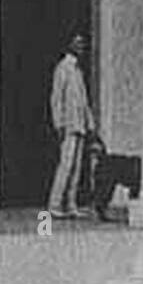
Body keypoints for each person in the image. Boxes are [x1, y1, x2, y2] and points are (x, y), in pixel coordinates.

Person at [47, 30, 96, 220]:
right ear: (69, 45)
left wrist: (90, 124)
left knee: (76, 167)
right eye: (77, 43)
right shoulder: (63, 68)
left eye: (82, 44)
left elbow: (84, 102)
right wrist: (58, 122)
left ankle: (71, 204)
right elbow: (56, 97)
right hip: (68, 124)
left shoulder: (77, 71)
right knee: (65, 165)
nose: (80, 47)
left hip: (80, 125)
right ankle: (54, 204)